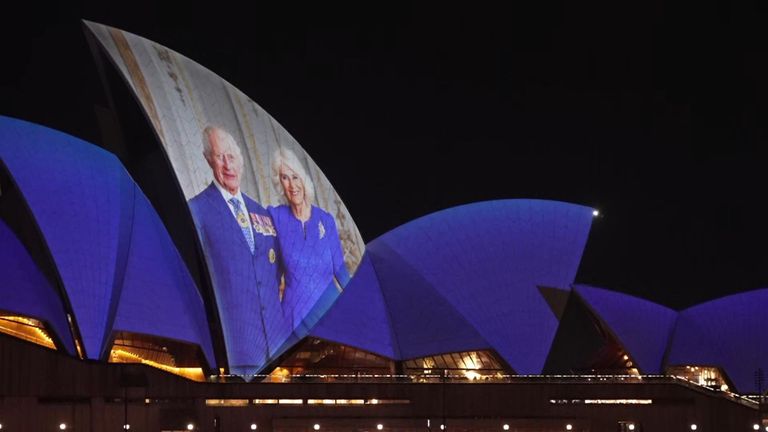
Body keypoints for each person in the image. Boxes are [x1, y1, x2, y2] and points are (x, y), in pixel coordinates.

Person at [188, 126, 288, 377]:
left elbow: (274, 276)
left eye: (231, 156)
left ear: (241, 160)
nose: (227, 165)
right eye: (220, 157)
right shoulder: (197, 210)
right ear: (208, 159)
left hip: (276, 351)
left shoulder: (261, 213)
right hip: (235, 351)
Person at [268, 147, 350, 335]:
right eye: (284, 178)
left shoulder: (326, 220)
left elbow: (340, 270)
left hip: (330, 314)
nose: (291, 185)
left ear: (303, 179)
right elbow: (271, 272)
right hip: (293, 322)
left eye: (295, 177)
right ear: (279, 183)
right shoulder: (275, 216)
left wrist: (358, 304)